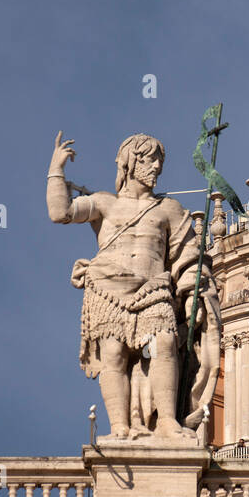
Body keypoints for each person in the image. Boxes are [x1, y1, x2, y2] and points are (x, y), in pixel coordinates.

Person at [46, 131, 219, 439]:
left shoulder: (170, 210)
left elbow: (188, 256)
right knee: (113, 353)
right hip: (107, 287)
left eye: (159, 163)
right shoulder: (104, 204)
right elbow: (61, 213)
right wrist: (56, 170)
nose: (156, 169)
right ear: (130, 162)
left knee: (164, 343)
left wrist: (193, 293)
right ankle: (120, 428)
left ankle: (167, 421)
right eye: (150, 161)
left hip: (153, 288)